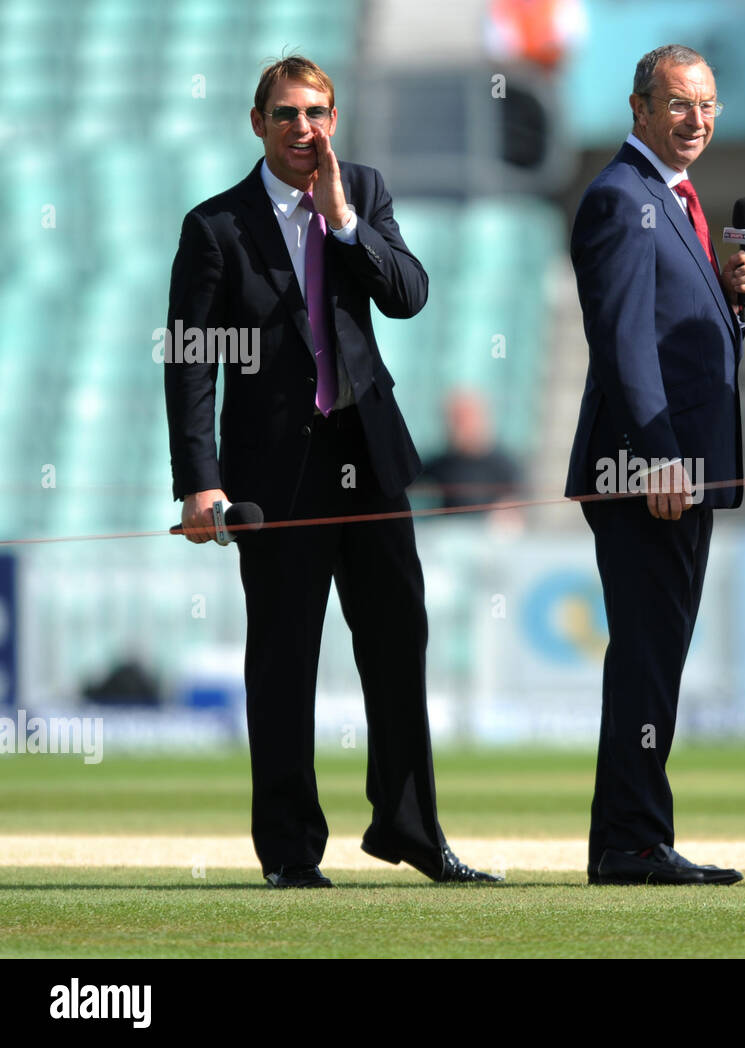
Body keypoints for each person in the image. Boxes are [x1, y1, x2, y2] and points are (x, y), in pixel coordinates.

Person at [164, 55, 497, 888]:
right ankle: (289, 852)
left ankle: (411, 830)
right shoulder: (215, 226)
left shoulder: (367, 193)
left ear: (334, 120)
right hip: (274, 474)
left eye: (316, 112)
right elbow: (189, 362)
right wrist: (199, 482)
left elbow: (410, 295)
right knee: (284, 657)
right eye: (286, 114)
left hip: (370, 457)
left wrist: (347, 226)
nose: (303, 128)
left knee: (399, 642)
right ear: (257, 123)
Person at [565, 44, 745, 885]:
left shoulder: (672, 198)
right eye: (680, 104)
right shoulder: (621, 196)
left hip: (677, 471)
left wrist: (736, 305)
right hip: (650, 474)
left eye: (709, 105)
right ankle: (630, 843)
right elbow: (621, 345)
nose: (698, 120)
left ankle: (635, 836)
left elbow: (673, 335)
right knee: (648, 657)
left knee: (657, 657)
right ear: (639, 108)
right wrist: (659, 459)